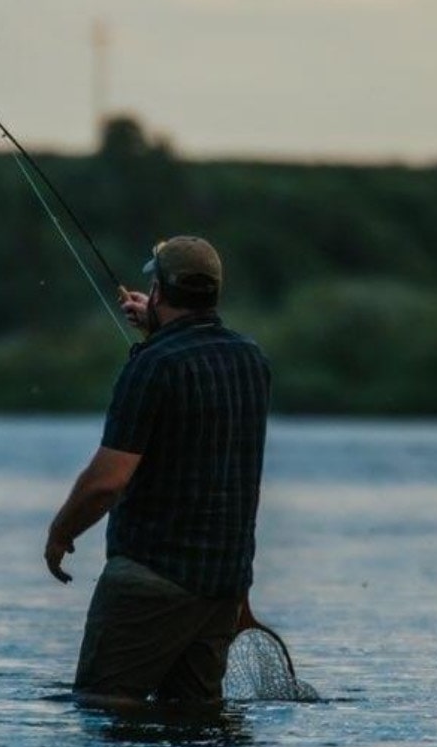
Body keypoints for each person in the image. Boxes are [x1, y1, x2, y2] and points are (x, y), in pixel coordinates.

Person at [44, 236, 271, 703]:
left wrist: (61, 532)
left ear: (161, 291)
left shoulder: (153, 365)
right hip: (222, 589)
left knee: (103, 708)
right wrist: (159, 326)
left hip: (150, 581)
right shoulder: (251, 361)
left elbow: (107, 482)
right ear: (214, 293)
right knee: (194, 730)